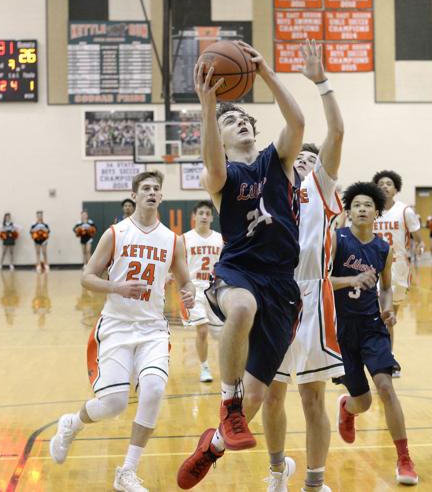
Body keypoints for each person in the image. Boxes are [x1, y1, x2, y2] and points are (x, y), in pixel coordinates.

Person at [177, 40, 305, 490]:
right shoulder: (224, 177)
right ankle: (227, 405)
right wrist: (209, 110)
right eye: (231, 122)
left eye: (244, 118)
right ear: (223, 137)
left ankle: (211, 447)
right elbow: (211, 161)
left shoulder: (278, 161)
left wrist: (266, 72)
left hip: (282, 284)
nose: (241, 123)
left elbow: (299, 121)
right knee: (241, 309)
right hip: (238, 270)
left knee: (260, 396)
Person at [49, 171, 195, 492]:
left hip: (153, 328)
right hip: (116, 326)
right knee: (114, 404)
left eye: (157, 189)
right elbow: (87, 277)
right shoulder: (116, 233)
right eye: (146, 188)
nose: (152, 193)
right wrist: (117, 286)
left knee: (154, 389)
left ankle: (127, 471)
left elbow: (185, 281)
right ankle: (71, 424)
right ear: (135, 195)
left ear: (162, 197)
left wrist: (189, 292)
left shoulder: (173, 240)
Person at [262, 40, 343, 492]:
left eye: (314, 160)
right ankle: (277, 472)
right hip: (274, 293)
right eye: (301, 156)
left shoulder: (319, 188)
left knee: (313, 397)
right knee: (273, 394)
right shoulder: (267, 184)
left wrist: (321, 83)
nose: (308, 161)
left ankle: (314, 481)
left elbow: (337, 135)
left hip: (313, 294)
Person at [332, 182, 419, 486]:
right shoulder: (337, 240)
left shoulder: (383, 248)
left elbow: (386, 288)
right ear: (349, 210)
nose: (362, 209)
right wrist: (352, 278)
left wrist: (388, 308)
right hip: (340, 328)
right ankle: (347, 407)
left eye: (368, 204)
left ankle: (404, 458)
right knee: (364, 402)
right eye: (356, 204)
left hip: (371, 325)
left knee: (385, 386)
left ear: (377, 212)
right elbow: (321, 282)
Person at [371, 170, 423, 377]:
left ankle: (387, 356)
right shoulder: (370, 209)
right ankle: (386, 360)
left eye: (389, 183)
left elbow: (419, 239)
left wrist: (420, 248)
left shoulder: (405, 211)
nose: (384, 186)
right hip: (373, 270)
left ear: (396, 189)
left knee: (388, 318)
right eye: (381, 183)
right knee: (381, 316)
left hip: (398, 271)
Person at [180, 200, 224, 383]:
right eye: (201, 213)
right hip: (194, 289)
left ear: (212, 217)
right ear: (194, 216)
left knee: (222, 335)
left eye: (208, 213)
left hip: (215, 290)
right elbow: (178, 263)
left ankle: (228, 370)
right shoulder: (185, 238)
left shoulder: (220, 239)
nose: (204, 216)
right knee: (203, 330)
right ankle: (204, 368)